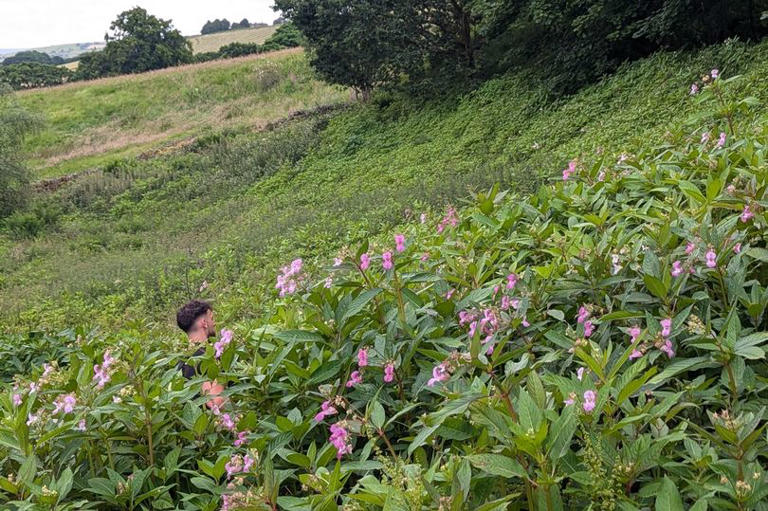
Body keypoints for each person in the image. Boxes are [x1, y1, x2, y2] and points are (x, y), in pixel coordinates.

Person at [176, 299, 225, 409]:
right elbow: (216, 402)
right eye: (211, 318)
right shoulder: (208, 356)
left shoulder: (181, 362)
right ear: (204, 323)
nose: (214, 323)